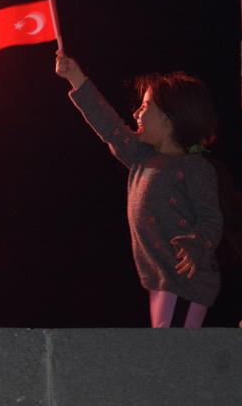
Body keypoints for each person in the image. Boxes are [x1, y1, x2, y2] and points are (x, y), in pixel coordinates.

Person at [55, 54, 222, 328]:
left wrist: (196, 244)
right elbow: (108, 126)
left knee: (171, 353)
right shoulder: (141, 156)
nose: (136, 113)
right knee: (163, 349)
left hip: (186, 282)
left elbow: (211, 219)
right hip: (159, 279)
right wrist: (76, 78)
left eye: (145, 107)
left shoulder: (195, 169)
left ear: (169, 120)